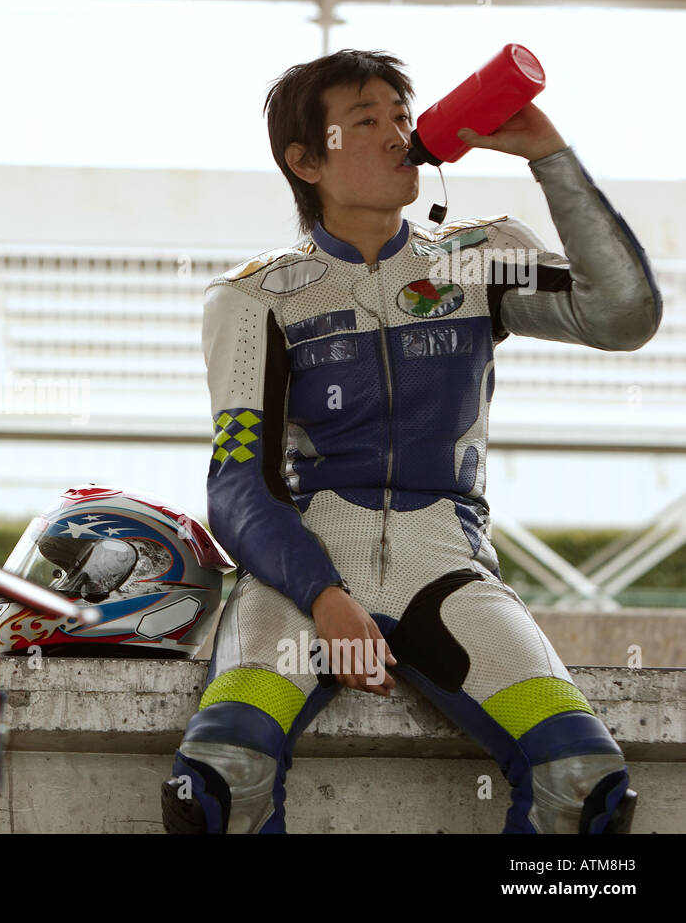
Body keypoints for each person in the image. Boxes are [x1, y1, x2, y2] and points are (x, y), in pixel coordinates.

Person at [161, 49, 661, 834]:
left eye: (403, 115)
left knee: (585, 785)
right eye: (367, 120)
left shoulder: (479, 256)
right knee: (223, 780)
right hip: (303, 579)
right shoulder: (251, 294)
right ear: (305, 159)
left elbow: (624, 315)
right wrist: (326, 599)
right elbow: (238, 488)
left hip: (450, 569)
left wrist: (548, 154)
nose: (400, 134)